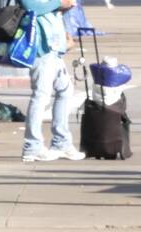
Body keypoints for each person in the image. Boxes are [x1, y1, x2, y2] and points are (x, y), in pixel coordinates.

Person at [21, 0, 86, 162]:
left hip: (53, 46)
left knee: (65, 90)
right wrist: (59, 3)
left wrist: (64, 7)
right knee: (41, 95)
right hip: (41, 47)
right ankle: (32, 146)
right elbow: (31, 6)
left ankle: (61, 142)